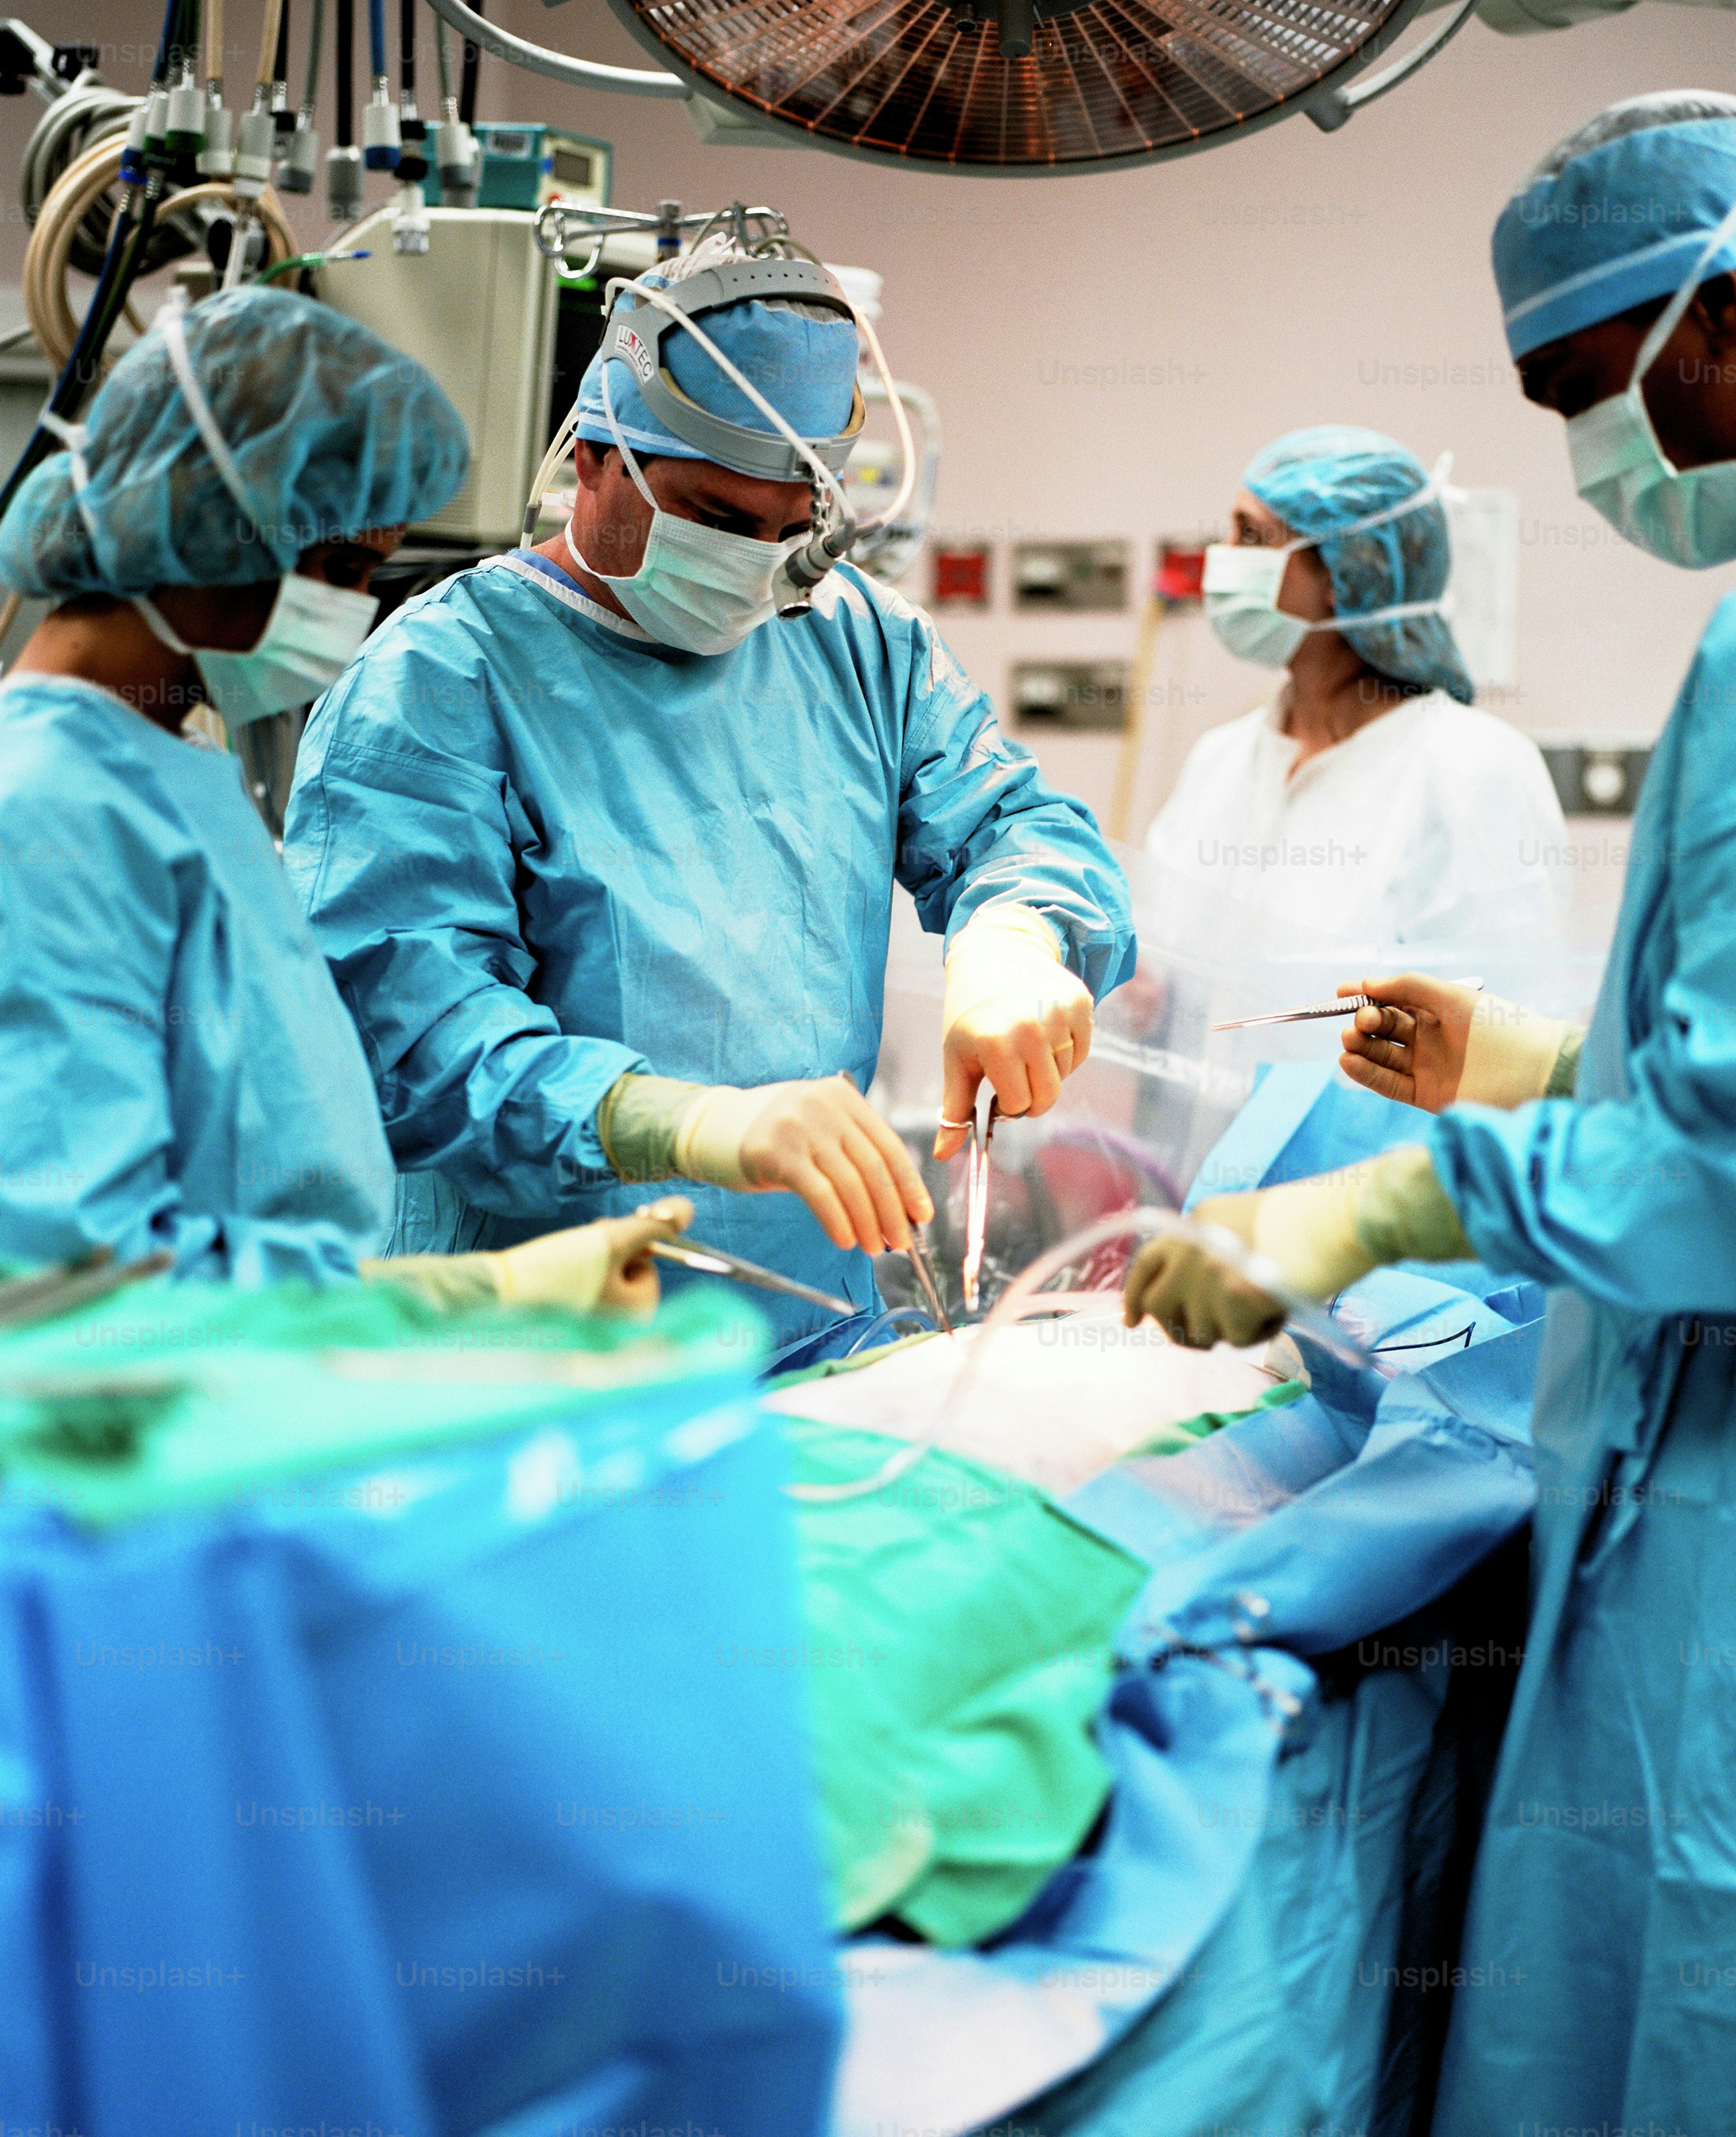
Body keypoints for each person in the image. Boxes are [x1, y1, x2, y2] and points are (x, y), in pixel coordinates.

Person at [1122, 91, 1736, 2137]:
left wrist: (1383, 1200)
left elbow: (1711, 1150)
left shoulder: (1475, 751)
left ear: (1713, 311)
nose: (1587, 456)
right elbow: (1686, 1060)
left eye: (1587, 390)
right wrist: (1542, 1067)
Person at [285, 237, 1135, 1355]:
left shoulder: (853, 639)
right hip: (544, 1349)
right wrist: (681, 1121)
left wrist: (1019, 935)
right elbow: (409, 1040)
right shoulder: (441, 682)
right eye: (716, 521)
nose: (758, 565)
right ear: (593, 457)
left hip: (809, 1321)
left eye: (794, 532)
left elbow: (1011, 823)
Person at [0, 286, 689, 1314]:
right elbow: (76, 1286)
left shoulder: (173, 765)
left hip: (256, 1403)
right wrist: (463, 1299)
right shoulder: (44, 816)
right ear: (206, 525)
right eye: (337, 566)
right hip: (135, 1443)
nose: (353, 609)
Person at [1144, 427, 1565, 947]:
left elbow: (1504, 1012)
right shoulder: (1219, 760)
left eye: (1251, 536)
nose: (1219, 556)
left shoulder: (1472, 770)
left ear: (1344, 574)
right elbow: (1164, 975)